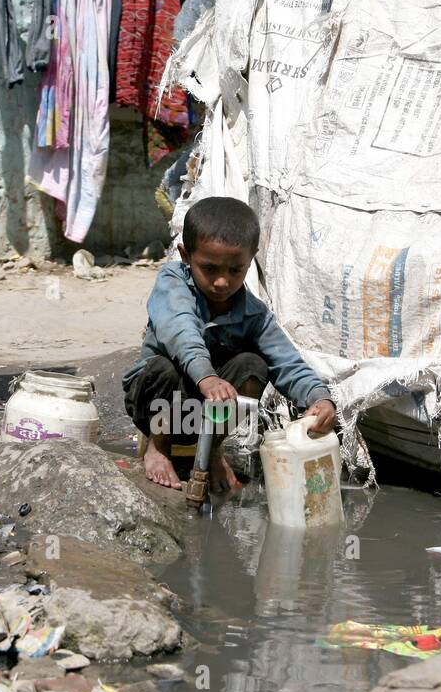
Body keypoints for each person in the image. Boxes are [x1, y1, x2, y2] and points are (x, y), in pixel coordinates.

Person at [123, 196, 337, 491]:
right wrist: (206, 376)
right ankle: (158, 448)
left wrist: (318, 398)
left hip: (206, 415)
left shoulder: (253, 313)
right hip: (155, 405)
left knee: (253, 365)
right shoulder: (172, 282)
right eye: (210, 269)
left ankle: (211, 448)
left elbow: (287, 362)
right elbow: (181, 331)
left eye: (235, 270)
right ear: (185, 255)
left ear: (251, 259)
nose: (222, 282)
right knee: (163, 368)